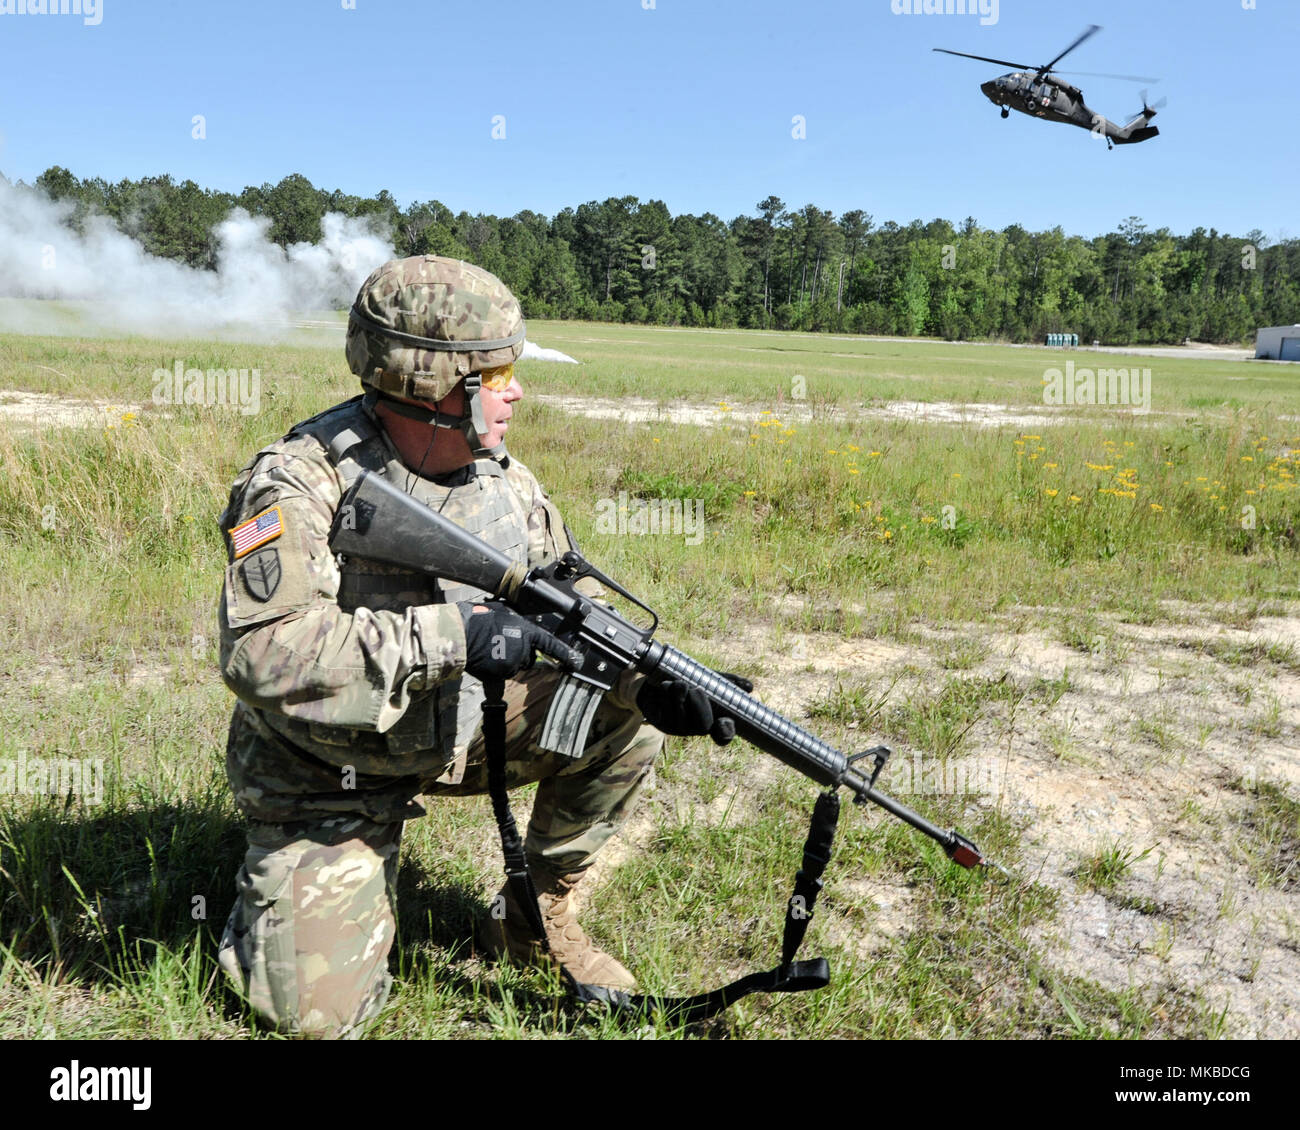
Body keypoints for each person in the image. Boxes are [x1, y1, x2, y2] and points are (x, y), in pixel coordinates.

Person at [215, 254, 740, 1038]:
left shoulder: (504, 480)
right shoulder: (298, 482)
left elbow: (572, 603)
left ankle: (532, 919)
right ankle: (282, 889)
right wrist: (454, 635)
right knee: (316, 1017)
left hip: (461, 730)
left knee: (619, 717)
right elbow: (263, 652)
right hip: (328, 769)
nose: (517, 392)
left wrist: (648, 682)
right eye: (495, 376)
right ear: (433, 383)